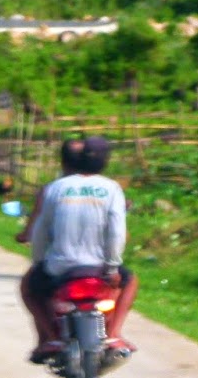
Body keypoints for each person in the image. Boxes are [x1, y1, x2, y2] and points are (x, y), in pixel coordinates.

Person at [16, 135, 139, 363]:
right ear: (105, 161)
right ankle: (113, 335)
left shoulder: (55, 188)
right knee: (130, 281)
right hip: (100, 268)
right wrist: (112, 267)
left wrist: (39, 262)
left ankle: (52, 337)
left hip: (60, 267)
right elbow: (117, 232)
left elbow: (41, 230)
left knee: (29, 288)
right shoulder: (111, 188)